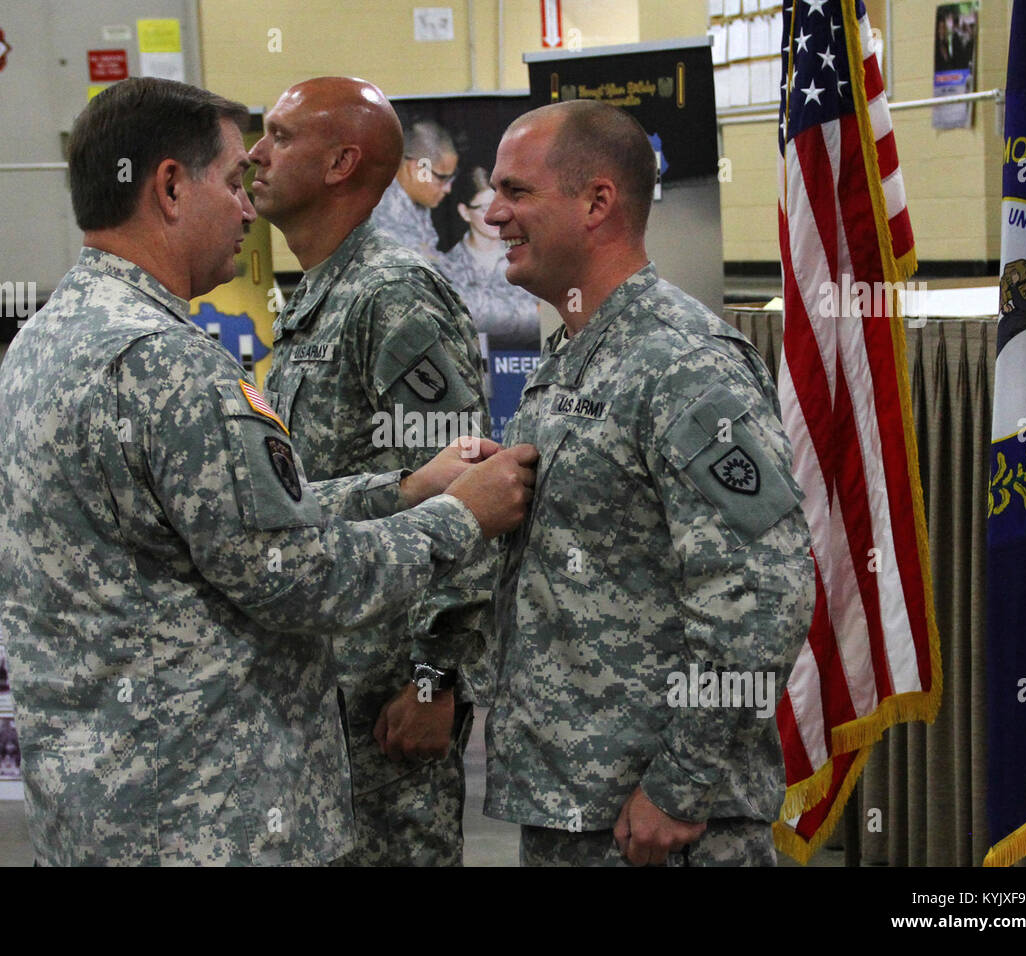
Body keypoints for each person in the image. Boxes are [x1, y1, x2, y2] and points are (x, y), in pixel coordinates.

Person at [0, 77, 536, 866]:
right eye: (231, 176)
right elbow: (289, 569)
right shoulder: (169, 363)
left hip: (107, 790)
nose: (246, 201)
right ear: (170, 187)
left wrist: (407, 497)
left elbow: (233, 513)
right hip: (206, 803)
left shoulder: (48, 337)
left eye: (274, 148)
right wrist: (457, 515)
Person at [481, 100, 815, 866]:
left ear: (598, 202)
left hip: (664, 827)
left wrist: (681, 783)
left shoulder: (682, 362)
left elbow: (763, 589)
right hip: (576, 807)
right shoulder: (572, 357)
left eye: (517, 192)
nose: (495, 214)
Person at [250, 76, 492, 867]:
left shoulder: (393, 293)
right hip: (322, 679)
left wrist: (435, 679)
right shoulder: (321, 290)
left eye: (279, 137)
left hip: (386, 690)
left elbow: (469, 481)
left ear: (341, 162)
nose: (255, 154)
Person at [438, 166, 543, 351]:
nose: (496, 216)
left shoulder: (527, 257)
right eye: (485, 208)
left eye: (499, 205)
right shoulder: (446, 267)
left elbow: (550, 318)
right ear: (464, 212)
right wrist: (531, 313)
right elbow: (456, 323)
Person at [369, 118, 457, 262]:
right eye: (442, 178)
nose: (448, 188)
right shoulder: (382, 207)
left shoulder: (417, 203)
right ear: (416, 169)